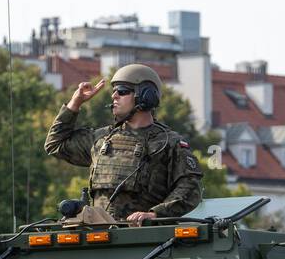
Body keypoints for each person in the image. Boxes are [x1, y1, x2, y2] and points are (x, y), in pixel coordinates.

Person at [44, 63, 203, 223]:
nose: (114, 96)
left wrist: (156, 214)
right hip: (100, 236)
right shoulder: (101, 139)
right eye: (113, 91)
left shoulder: (168, 143)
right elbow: (55, 144)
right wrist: (75, 103)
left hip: (146, 236)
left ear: (146, 96)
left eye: (122, 91)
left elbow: (190, 188)